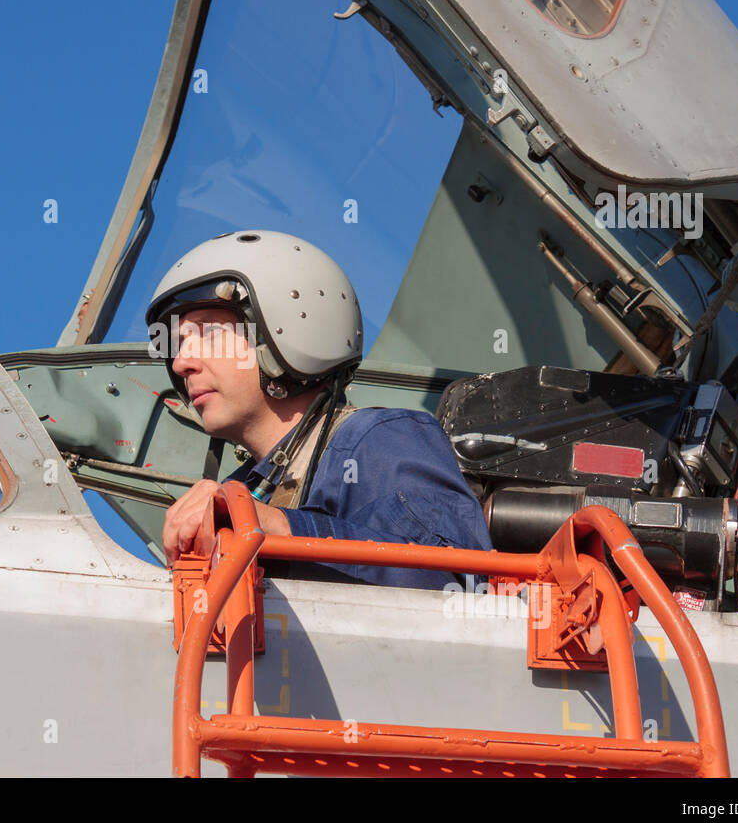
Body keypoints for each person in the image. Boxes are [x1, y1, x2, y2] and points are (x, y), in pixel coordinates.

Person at [148, 230, 492, 590]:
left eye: (209, 333)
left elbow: (459, 585)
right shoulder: (243, 494)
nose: (182, 362)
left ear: (289, 328)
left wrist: (282, 530)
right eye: (179, 344)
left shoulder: (375, 441)